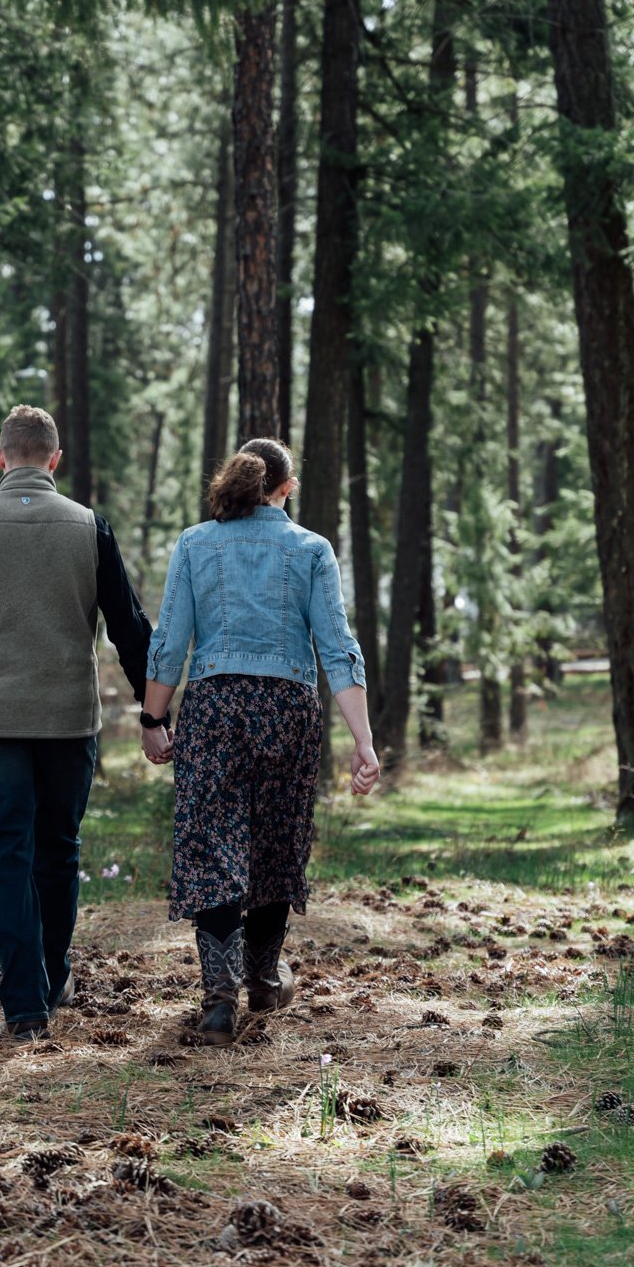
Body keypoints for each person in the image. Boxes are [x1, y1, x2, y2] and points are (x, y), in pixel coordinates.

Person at [0, 405, 153, 1043]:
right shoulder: (89, 528)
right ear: (54, 460)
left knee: (7, 857)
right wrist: (155, 711)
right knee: (59, 853)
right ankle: (52, 974)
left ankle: (24, 1005)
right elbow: (129, 628)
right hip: (70, 722)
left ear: (1, 457)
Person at [140, 438, 380, 1046]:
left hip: (215, 707)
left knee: (212, 846)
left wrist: (153, 719)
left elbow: (170, 643)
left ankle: (218, 1001)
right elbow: (337, 649)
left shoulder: (196, 544)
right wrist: (364, 742)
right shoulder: (312, 549)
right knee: (276, 840)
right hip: (287, 710)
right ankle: (265, 980)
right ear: (286, 487)